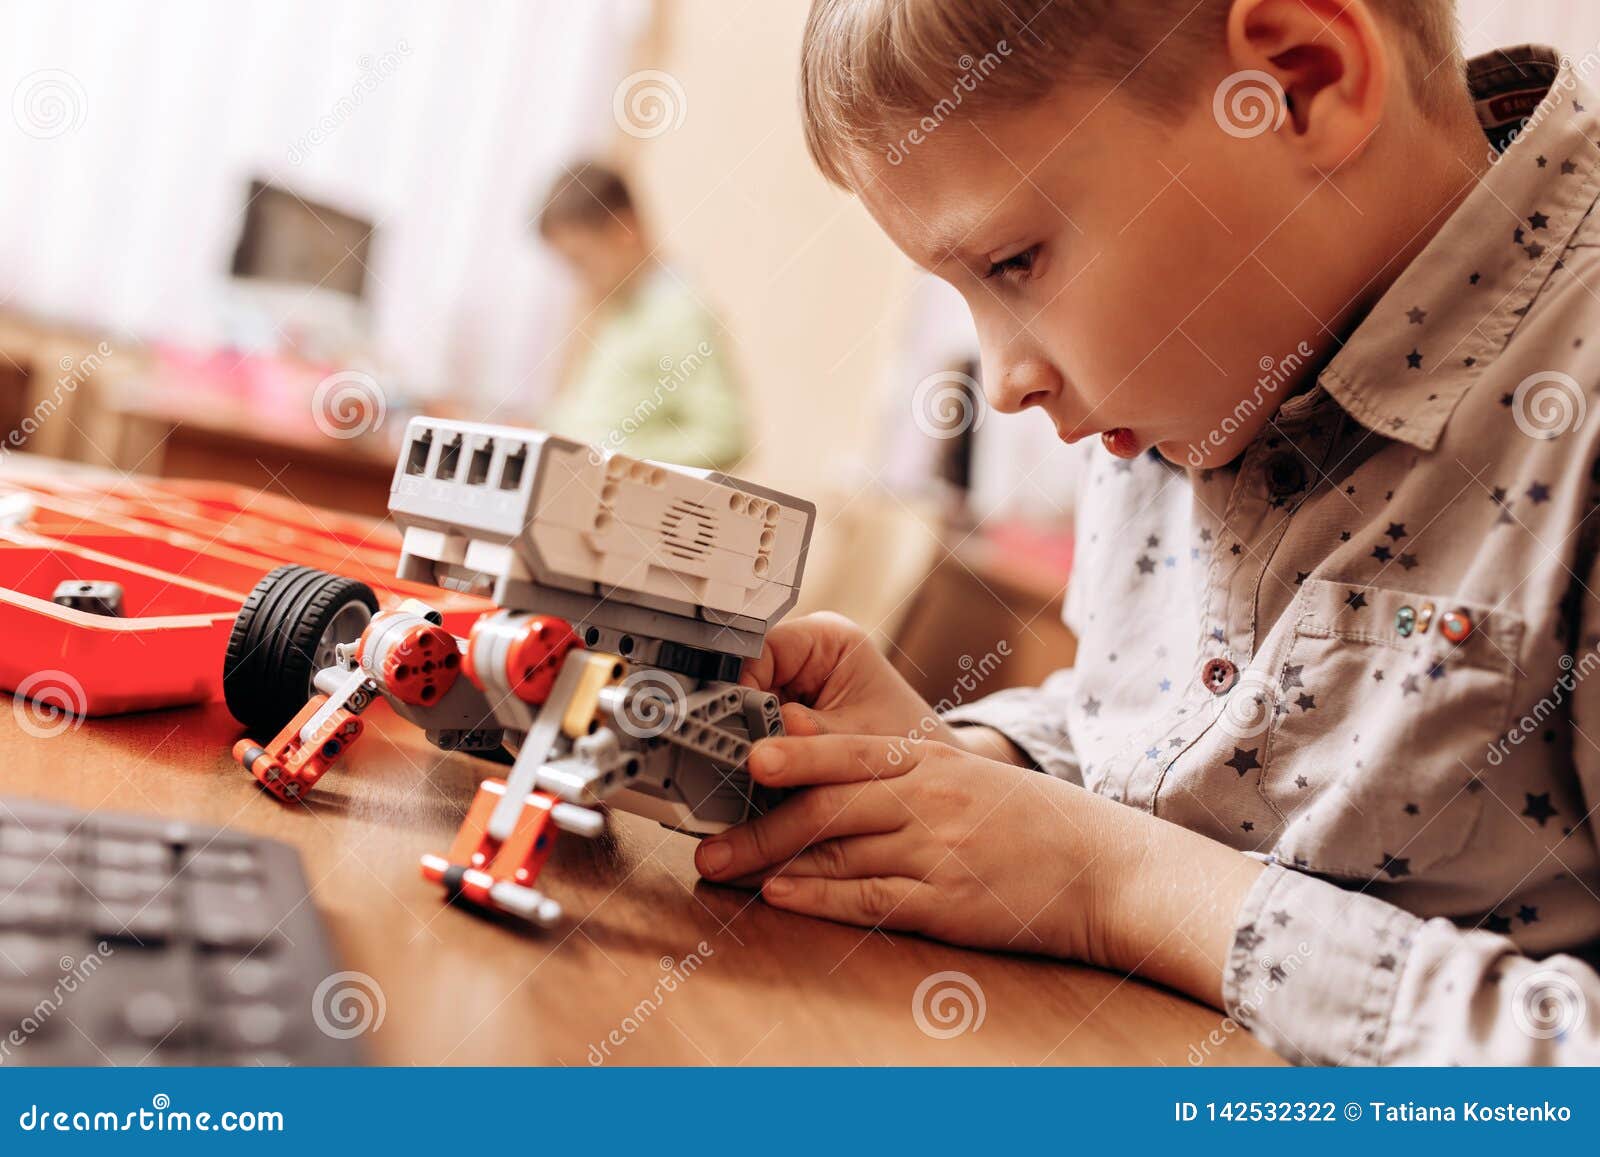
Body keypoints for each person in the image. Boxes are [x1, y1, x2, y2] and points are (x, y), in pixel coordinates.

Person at [693, 0, 1600, 1065]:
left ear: (1300, 81)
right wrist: (955, 770)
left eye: (1016, 262)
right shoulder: (1203, 361)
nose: (1006, 380)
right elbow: (1181, 745)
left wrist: (1107, 881)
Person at [535, 161, 747, 470]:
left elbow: (725, 436)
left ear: (625, 231)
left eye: (581, 260)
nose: (579, 279)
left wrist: (611, 455)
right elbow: (600, 412)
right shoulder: (619, 309)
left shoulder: (679, 313)